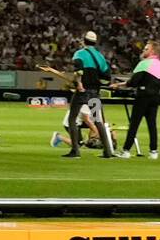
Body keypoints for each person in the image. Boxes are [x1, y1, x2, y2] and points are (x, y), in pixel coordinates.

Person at [41, 31, 115, 159]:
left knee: (72, 119)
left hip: (82, 91)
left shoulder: (79, 54)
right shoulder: (100, 56)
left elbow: (78, 70)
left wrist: (80, 84)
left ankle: (75, 151)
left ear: (83, 41)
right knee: (98, 121)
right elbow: (106, 77)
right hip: (94, 92)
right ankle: (107, 152)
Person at [118, 40, 160, 159]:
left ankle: (126, 151)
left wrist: (121, 85)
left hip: (142, 96)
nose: (143, 51)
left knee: (134, 124)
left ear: (152, 51)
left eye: (146, 49)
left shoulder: (144, 63)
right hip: (155, 97)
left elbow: (134, 81)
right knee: (152, 125)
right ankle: (153, 151)